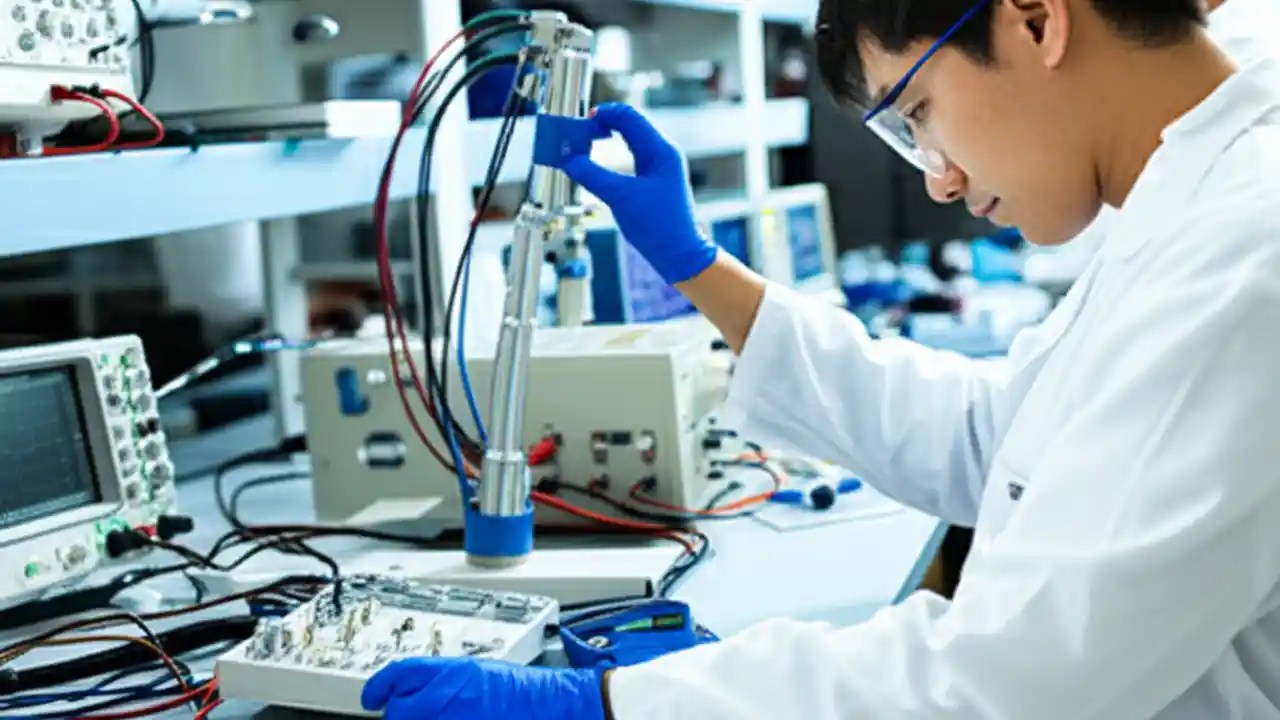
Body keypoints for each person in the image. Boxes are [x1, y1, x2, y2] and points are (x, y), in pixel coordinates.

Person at [360, 0, 1280, 717]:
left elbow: (1018, 675)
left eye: (917, 109)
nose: (938, 175)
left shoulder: (1245, 252)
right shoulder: (1187, 208)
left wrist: (615, 703)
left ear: (1037, 18)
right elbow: (992, 442)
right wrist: (698, 267)